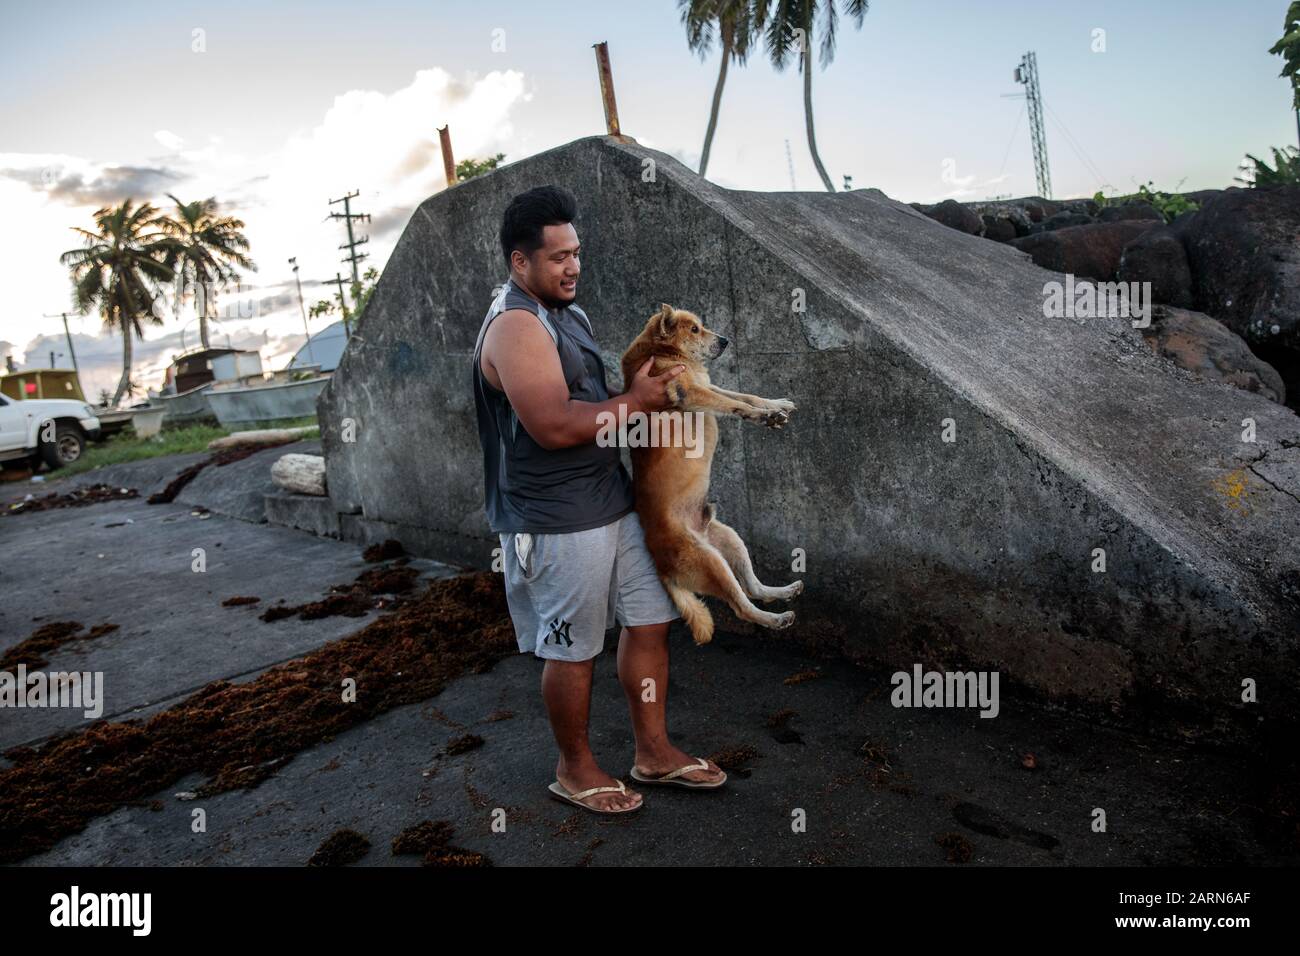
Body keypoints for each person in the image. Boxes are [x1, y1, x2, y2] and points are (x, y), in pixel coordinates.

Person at [471, 184, 728, 814]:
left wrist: (648, 397)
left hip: (614, 502)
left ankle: (653, 752)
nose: (573, 267)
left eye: (576, 253)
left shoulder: (571, 318)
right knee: (574, 648)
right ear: (519, 262)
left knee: (649, 624)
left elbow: (602, 406)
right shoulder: (515, 326)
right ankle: (576, 767)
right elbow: (556, 425)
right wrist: (636, 401)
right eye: (557, 257)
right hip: (556, 521)